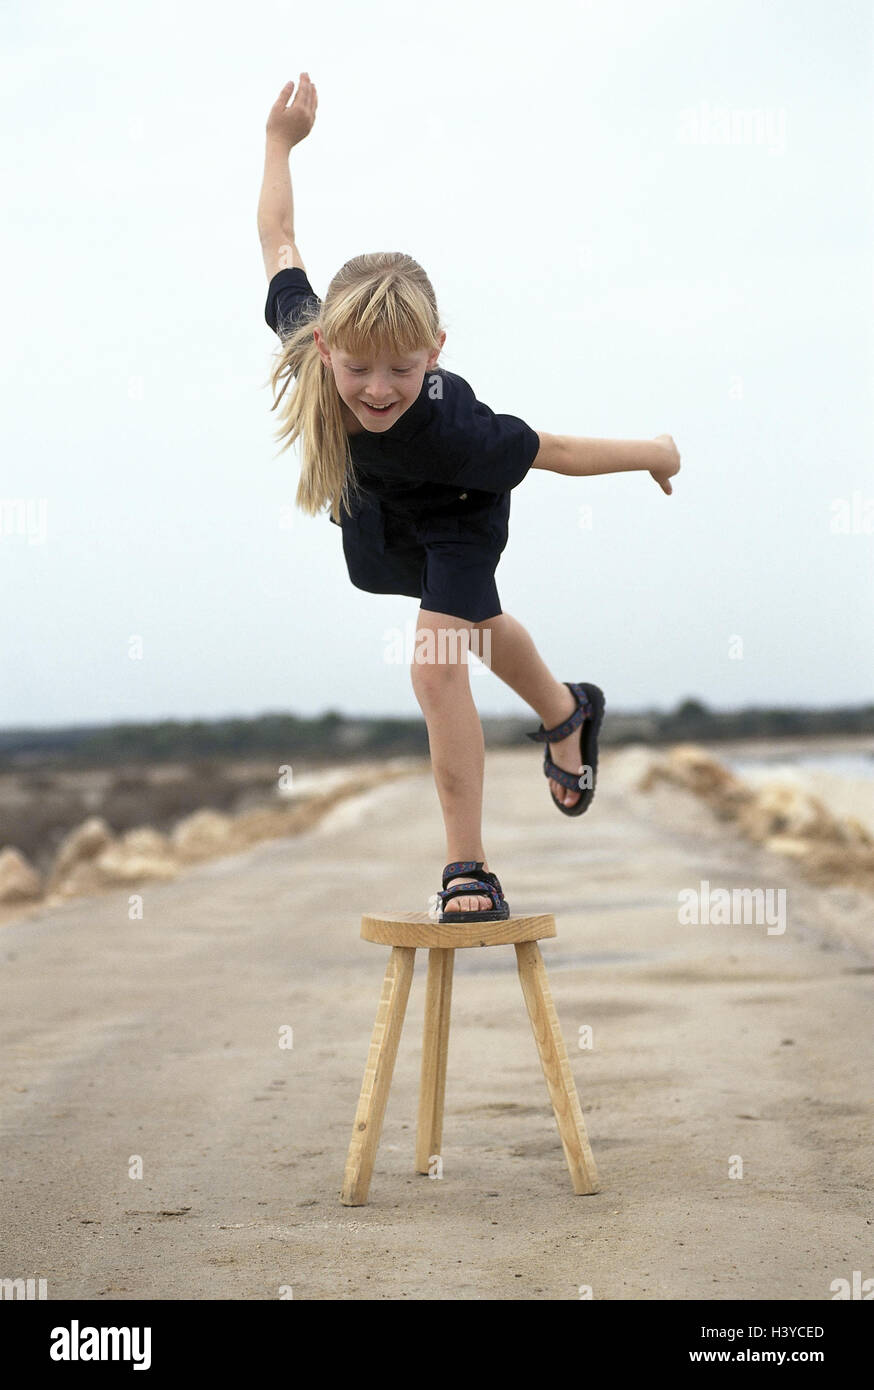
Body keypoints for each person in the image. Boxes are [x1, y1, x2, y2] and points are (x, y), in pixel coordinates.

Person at [257, 74, 681, 923]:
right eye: (358, 368)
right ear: (327, 342)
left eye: (404, 371)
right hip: (381, 508)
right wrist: (279, 142)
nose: (378, 389)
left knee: (437, 665)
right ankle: (569, 711)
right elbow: (279, 237)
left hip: (458, 511)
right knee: (479, 630)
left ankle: (469, 870)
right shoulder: (312, 344)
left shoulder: (461, 432)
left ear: (435, 351)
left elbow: (554, 450)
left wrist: (654, 452)